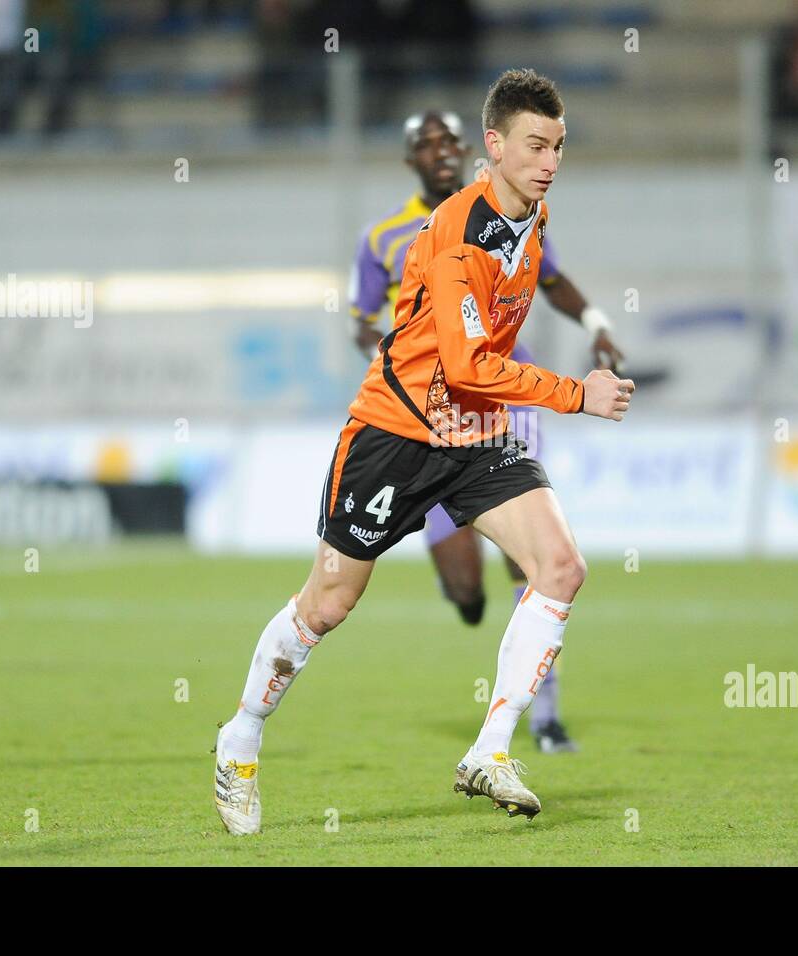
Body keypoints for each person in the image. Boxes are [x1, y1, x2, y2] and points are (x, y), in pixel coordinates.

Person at [214, 68, 634, 833]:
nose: (550, 161)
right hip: (394, 436)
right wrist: (578, 393)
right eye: (535, 146)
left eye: (560, 146)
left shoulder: (531, 221)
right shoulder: (455, 233)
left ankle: (492, 750)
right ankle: (239, 739)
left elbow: (482, 373)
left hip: (474, 436)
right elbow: (470, 362)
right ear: (495, 147)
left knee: (561, 566)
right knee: (328, 605)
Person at [347, 108, 624, 754]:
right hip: (427, 413)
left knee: (538, 563)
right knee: (466, 591)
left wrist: (598, 325)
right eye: (427, 143)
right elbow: (362, 319)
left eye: (451, 141)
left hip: (503, 395)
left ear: (474, 147)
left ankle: (544, 716)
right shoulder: (384, 237)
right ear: (410, 159)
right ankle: (467, 601)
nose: (441, 151)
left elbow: (552, 280)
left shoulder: (515, 211)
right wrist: (392, 352)